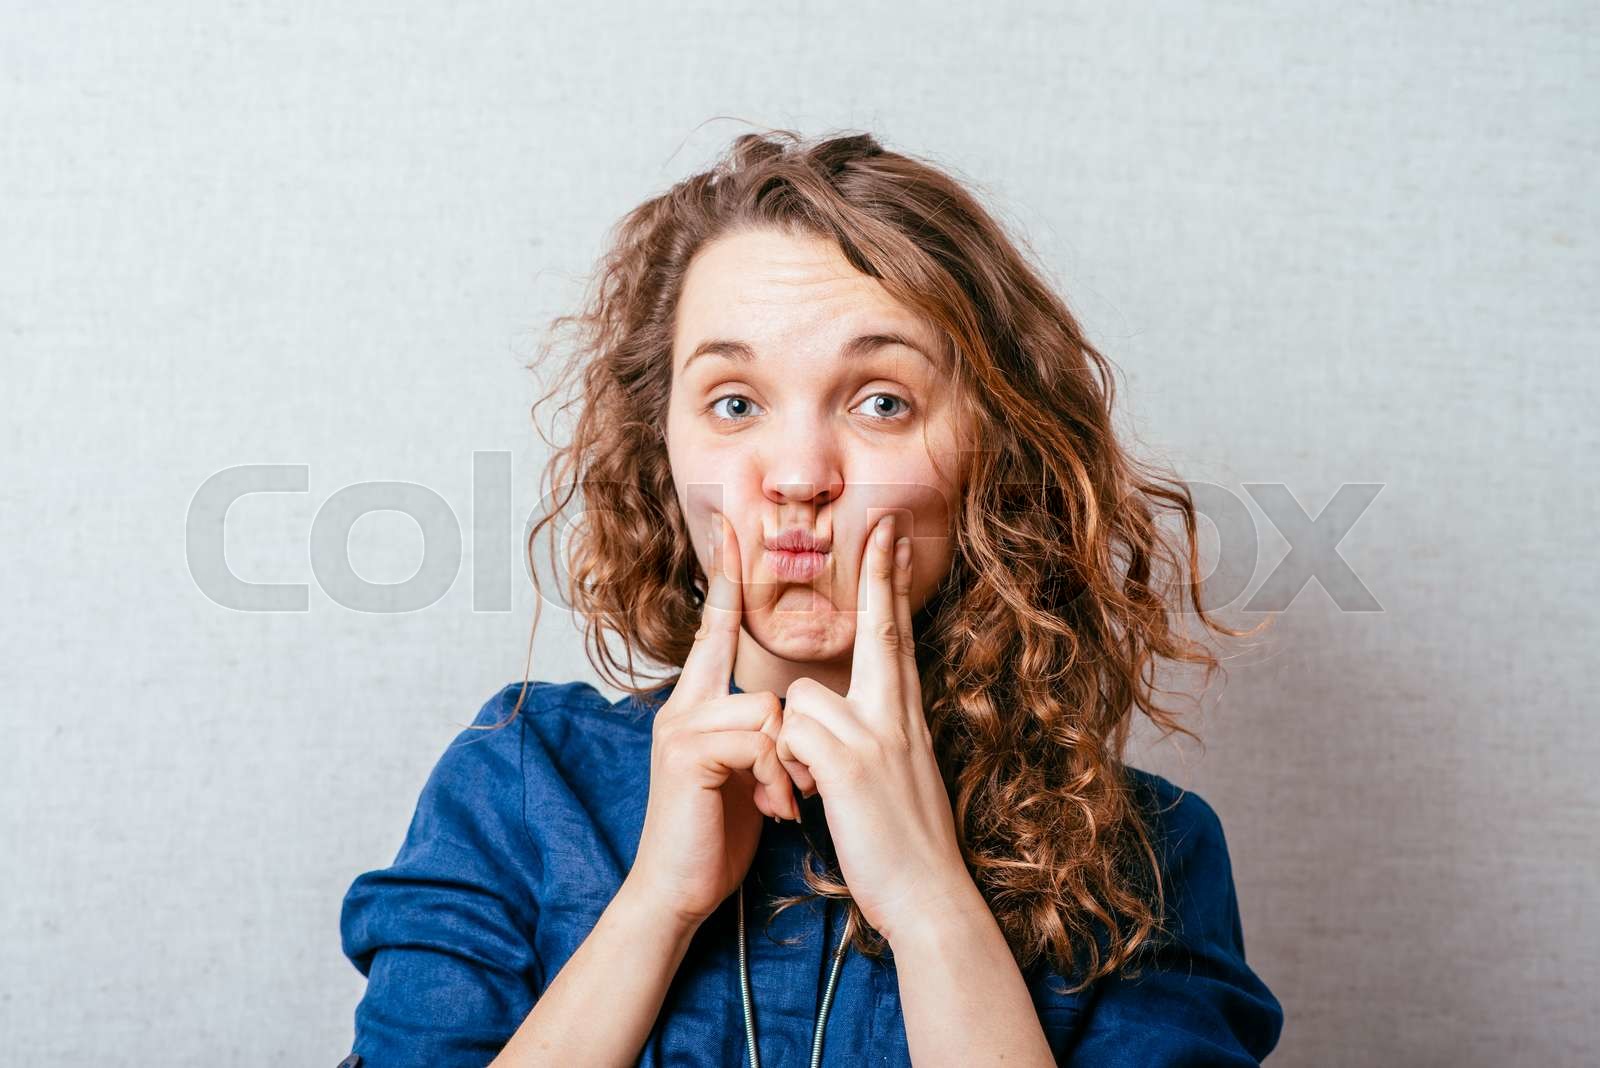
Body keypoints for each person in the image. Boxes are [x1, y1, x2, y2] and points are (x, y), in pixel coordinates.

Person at [338, 128, 1285, 1066]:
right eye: (734, 403)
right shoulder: (518, 784)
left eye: (881, 401)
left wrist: (930, 904)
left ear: (995, 457)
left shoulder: (1146, 857)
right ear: (660, 449)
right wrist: (656, 906)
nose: (796, 475)